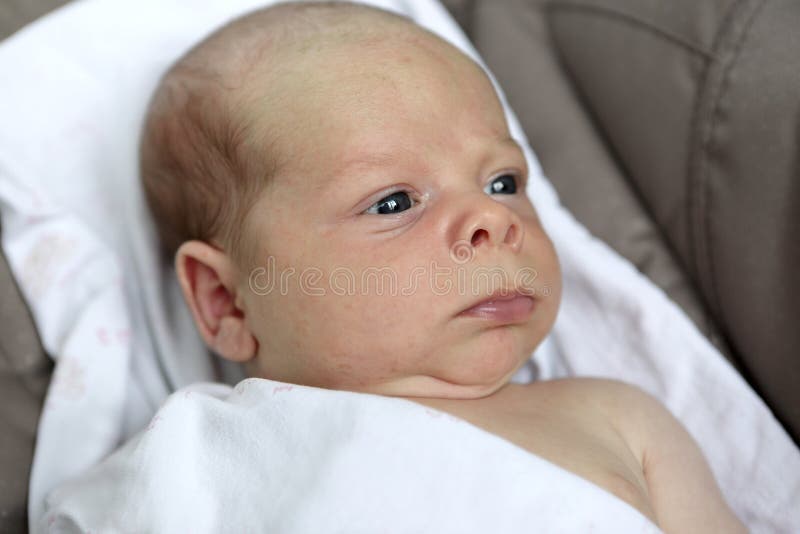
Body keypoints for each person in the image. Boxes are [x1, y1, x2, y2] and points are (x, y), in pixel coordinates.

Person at [139, 1, 745, 531]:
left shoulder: (614, 418)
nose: (494, 217)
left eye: (503, 181)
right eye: (395, 202)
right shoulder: (189, 459)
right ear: (227, 300)